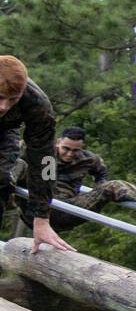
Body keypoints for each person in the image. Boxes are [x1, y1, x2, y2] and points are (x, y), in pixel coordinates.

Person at [14, 127, 136, 230]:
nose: (69, 154)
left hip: (68, 208)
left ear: (82, 148)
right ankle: (4, 194)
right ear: (58, 142)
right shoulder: (43, 151)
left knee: (112, 185)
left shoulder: (89, 159)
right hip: (37, 204)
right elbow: (14, 151)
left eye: (75, 151)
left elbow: (101, 174)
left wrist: (100, 186)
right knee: (22, 164)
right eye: (66, 149)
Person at [0, 55, 74, 252]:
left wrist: (41, 219)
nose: (3, 106)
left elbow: (46, 161)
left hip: (5, 131)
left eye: (12, 100)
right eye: (0, 97)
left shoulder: (37, 104)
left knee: (2, 179)